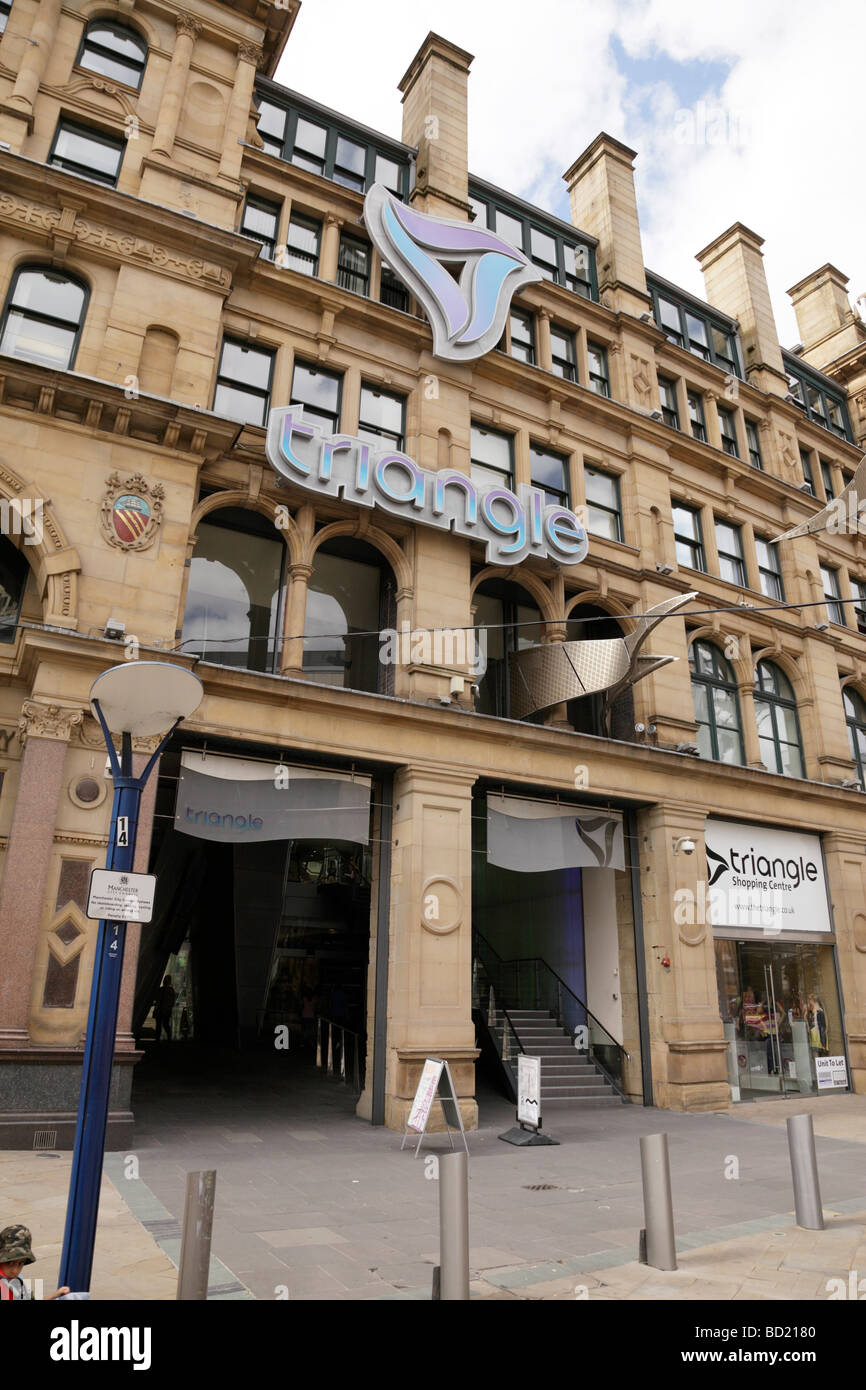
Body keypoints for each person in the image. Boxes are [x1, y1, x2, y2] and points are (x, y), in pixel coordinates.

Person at [0, 1226, 69, 1300]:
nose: (15, 1270)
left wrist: (55, 1295)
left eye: (20, 1263)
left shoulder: (16, 1281)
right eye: (9, 1263)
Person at [154, 974, 176, 1043]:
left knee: (163, 1024)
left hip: (164, 1010)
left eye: (166, 980)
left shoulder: (168, 990)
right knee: (161, 1025)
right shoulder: (165, 990)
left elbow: (171, 1001)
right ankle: (161, 1038)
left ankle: (166, 1038)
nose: (165, 981)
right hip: (162, 1010)